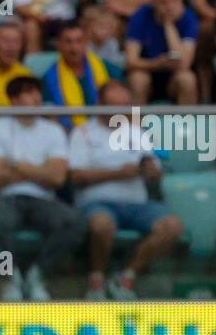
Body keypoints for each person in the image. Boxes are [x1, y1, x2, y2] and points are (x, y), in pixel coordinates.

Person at [69, 78, 184, 300]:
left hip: (136, 204)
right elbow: (75, 176)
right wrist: (117, 173)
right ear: (99, 105)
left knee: (173, 226)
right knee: (102, 224)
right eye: (113, 106)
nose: (118, 112)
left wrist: (152, 171)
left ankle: (126, 277)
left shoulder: (136, 132)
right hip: (96, 203)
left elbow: (155, 171)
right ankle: (97, 281)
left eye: (123, 106)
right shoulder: (82, 133)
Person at [0, 74, 86, 301]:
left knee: (73, 221)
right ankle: (10, 276)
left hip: (43, 199)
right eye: (28, 92)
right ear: (14, 100)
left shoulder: (52, 130)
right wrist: (40, 170)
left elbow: (57, 178)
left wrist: (16, 165)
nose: (36, 97)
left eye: (37, 92)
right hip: (5, 198)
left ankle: (38, 274)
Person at [125, 0, 198, 104]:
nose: (169, 6)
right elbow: (131, 61)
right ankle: (135, 123)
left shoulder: (188, 19)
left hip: (173, 79)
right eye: (164, 2)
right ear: (153, 0)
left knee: (187, 79)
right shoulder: (140, 16)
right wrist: (157, 63)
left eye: (174, 0)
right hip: (148, 72)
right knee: (138, 80)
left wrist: (168, 25)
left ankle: (186, 124)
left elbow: (184, 63)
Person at [39, 17, 109, 127]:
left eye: (79, 41)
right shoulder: (49, 79)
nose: (74, 48)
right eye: (68, 42)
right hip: (67, 134)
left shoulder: (106, 68)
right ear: (58, 44)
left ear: (86, 42)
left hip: (106, 130)